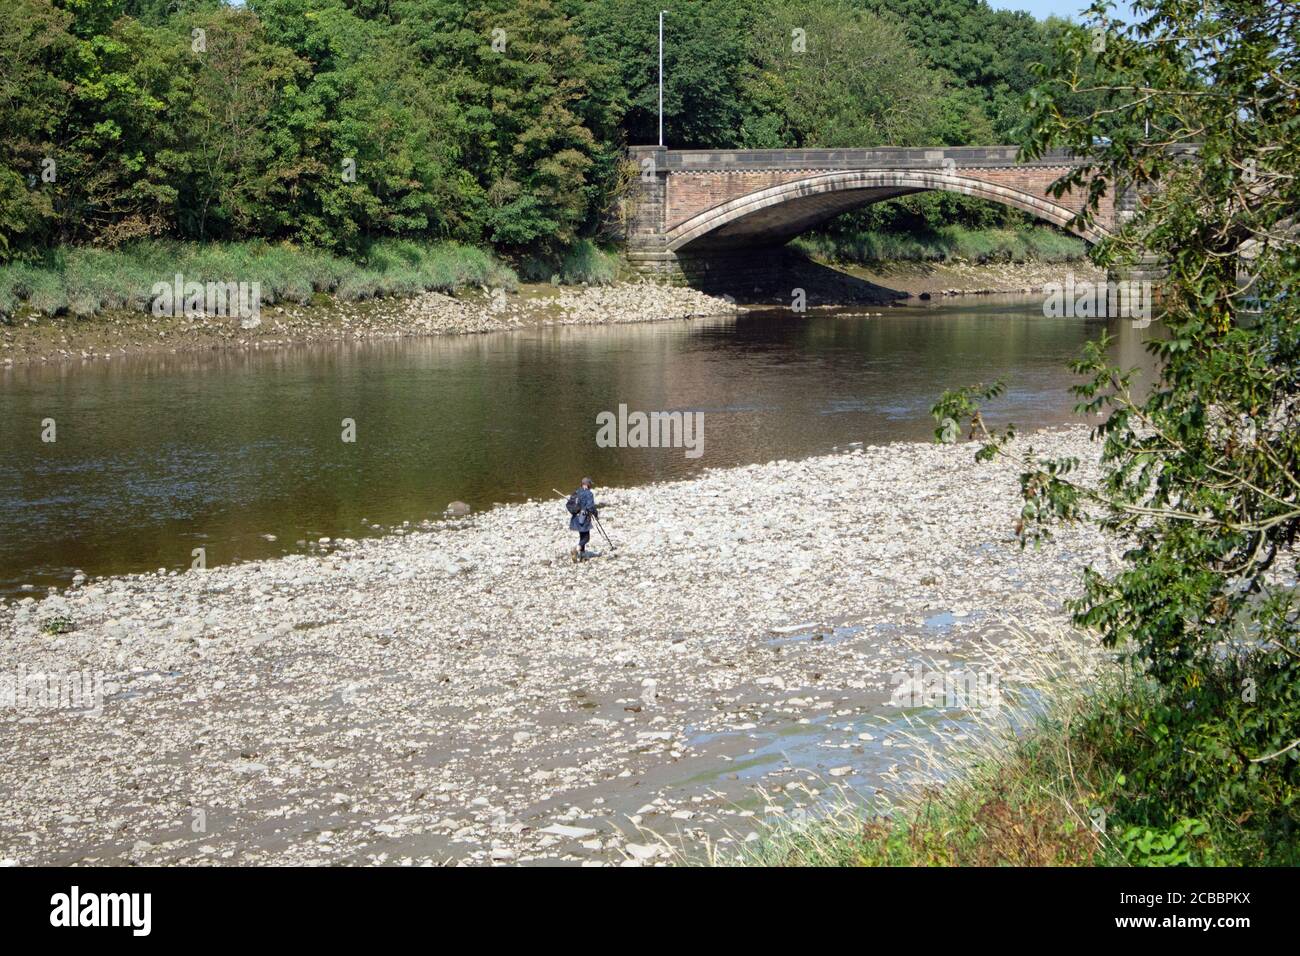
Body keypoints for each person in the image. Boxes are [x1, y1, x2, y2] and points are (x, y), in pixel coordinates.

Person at [570, 476, 598, 561]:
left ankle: (582, 555)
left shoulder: (576, 492)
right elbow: (590, 507)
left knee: (582, 536)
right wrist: (595, 514)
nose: (590, 486)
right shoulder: (589, 493)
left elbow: (571, 504)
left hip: (575, 518)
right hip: (584, 518)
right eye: (590, 484)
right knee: (586, 538)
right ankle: (576, 549)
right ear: (588, 484)